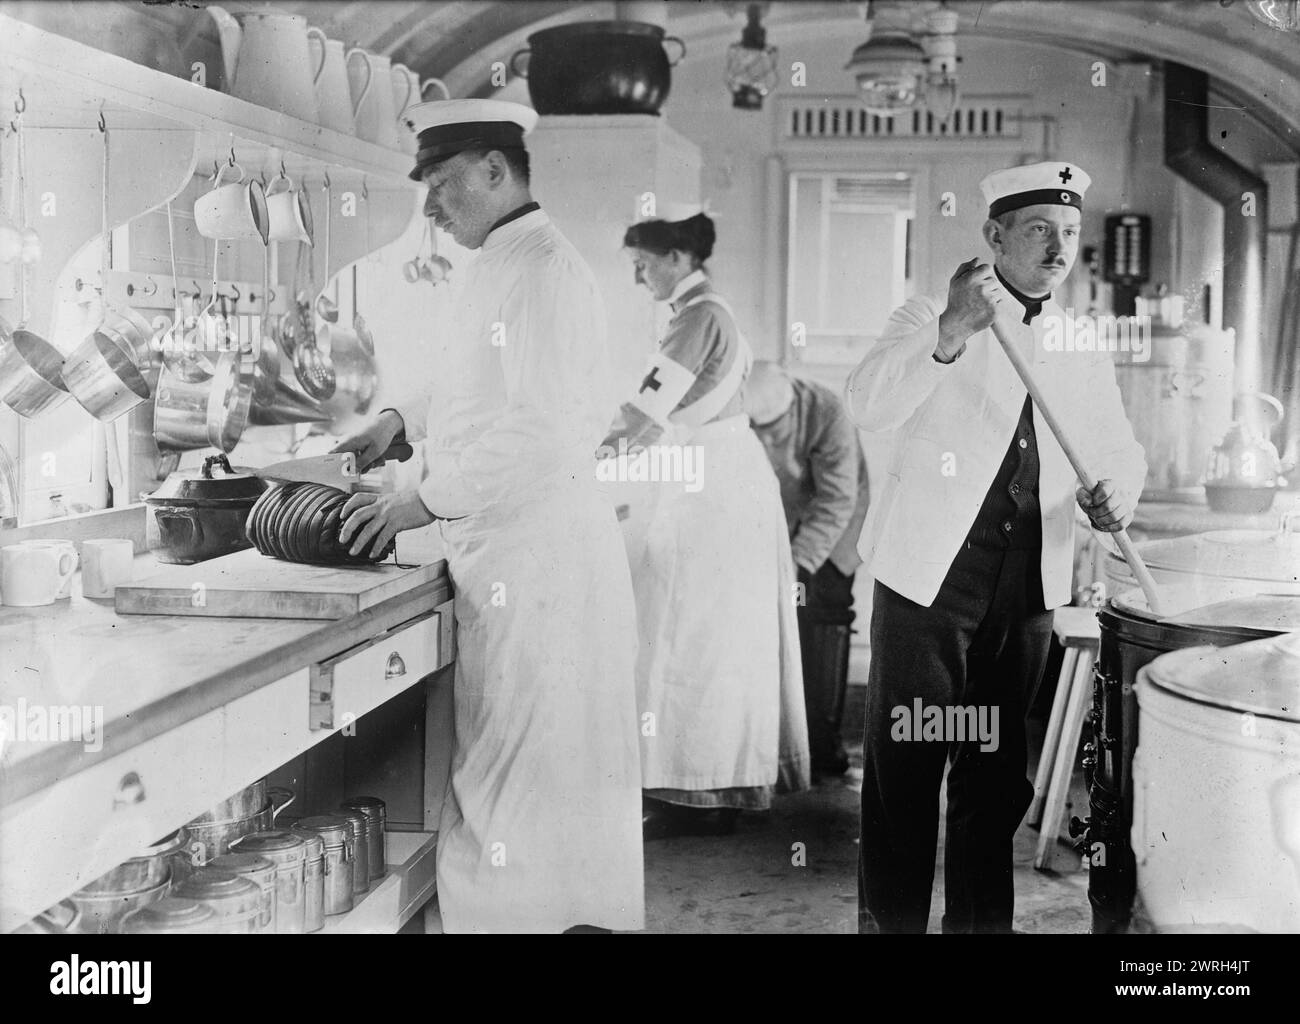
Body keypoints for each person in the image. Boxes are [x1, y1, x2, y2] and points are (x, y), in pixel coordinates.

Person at [333, 99, 643, 934]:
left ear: (494, 171)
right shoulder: (501, 260)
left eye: (439, 184)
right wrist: (397, 422)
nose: (430, 207)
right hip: (510, 558)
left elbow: (540, 431)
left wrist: (418, 502)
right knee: (516, 778)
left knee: (519, 785)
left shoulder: (542, 268)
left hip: (540, 566)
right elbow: (472, 385)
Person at [844, 161, 1147, 934]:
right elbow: (869, 405)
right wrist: (951, 332)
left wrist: (1115, 491)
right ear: (995, 236)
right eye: (1041, 229)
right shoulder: (925, 316)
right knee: (906, 771)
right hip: (930, 587)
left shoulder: (1081, 342)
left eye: (1070, 232)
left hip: (1026, 594)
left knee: (994, 781)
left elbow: (1119, 448)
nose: (1058, 248)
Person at [599, 208, 810, 839]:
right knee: (712, 639)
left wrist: (586, 466)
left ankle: (694, 787)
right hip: (722, 481)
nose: (639, 279)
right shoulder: (712, 313)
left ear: (676, 259)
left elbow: (645, 411)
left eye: (642, 265)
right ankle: (707, 785)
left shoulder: (697, 318)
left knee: (687, 636)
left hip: (710, 491)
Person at [746, 361, 870, 777]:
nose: (766, 438)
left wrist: (796, 564)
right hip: (780, 524)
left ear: (793, 401)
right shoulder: (741, 407)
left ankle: (822, 743)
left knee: (822, 616)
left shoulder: (827, 411)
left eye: (773, 428)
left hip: (836, 527)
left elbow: (836, 499)